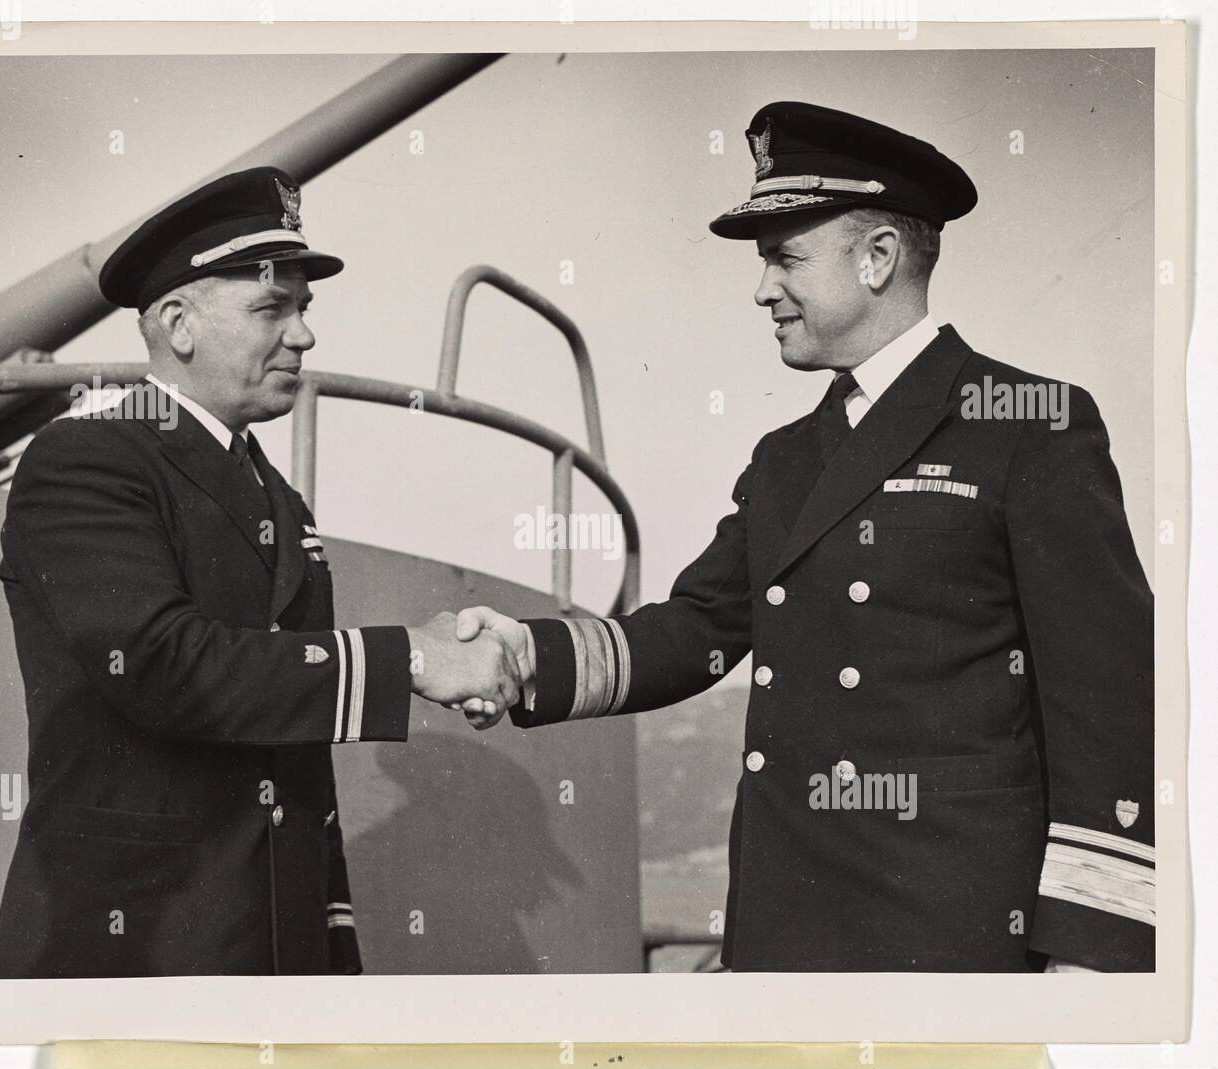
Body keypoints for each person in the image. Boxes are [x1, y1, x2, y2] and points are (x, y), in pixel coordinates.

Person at [455, 103, 1155, 973]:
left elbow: (1109, 695)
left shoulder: (1029, 423)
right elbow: (699, 629)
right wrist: (524, 656)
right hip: (788, 923)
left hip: (951, 938)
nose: (761, 290)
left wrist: (1090, 953)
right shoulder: (786, 458)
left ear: (877, 259)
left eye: (785, 258)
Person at [0, 167, 521, 978]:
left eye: (303, 311)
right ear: (178, 323)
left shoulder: (277, 495)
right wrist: (411, 656)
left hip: (271, 942)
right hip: (131, 945)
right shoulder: (88, 458)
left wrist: (331, 939)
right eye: (273, 308)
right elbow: (164, 664)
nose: (303, 336)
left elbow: (296, 759)